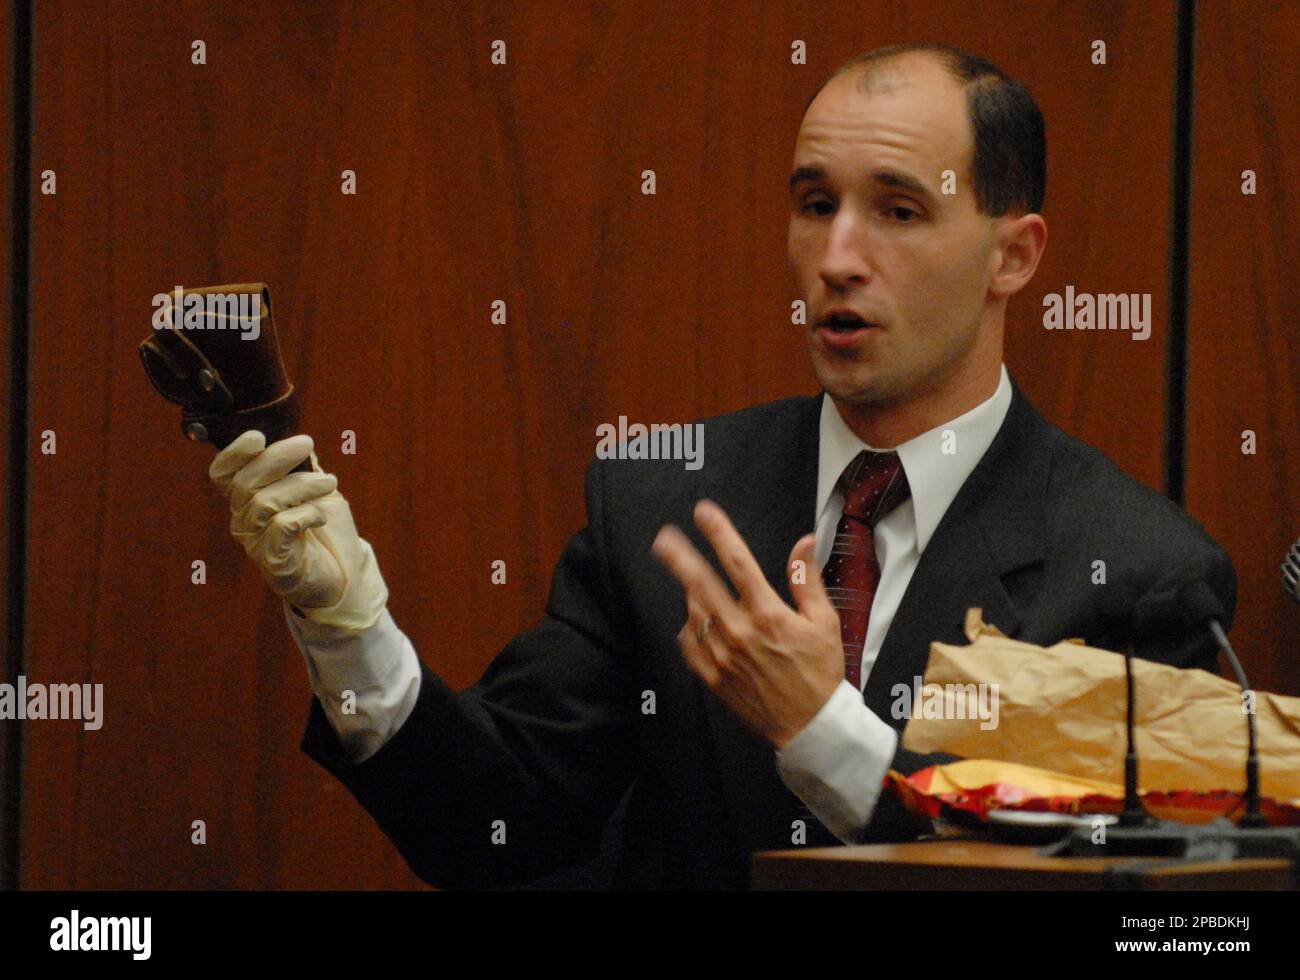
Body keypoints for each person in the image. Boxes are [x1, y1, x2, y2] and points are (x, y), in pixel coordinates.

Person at [207, 43, 1236, 889]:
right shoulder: (661, 497)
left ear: (1013, 254)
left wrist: (825, 733)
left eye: (898, 209)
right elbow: (495, 832)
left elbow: (1119, 902)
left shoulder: (1133, 571)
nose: (836, 255)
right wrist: (350, 634)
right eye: (812, 202)